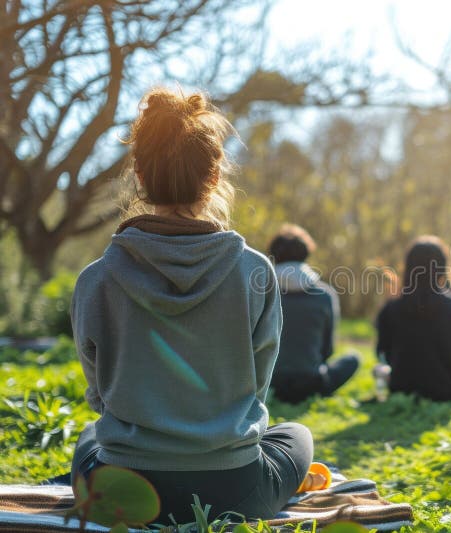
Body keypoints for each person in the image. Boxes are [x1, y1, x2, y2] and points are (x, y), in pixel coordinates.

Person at [69, 88, 312, 524]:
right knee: (296, 435)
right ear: (216, 174)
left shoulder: (96, 278)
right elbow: (256, 388)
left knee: (90, 437)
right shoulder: (255, 272)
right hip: (236, 488)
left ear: (139, 175)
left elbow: (99, 394)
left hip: (125, 490)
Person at [375, 236, 451, 402]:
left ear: (408, 268)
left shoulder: (391, 308)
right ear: (442, 268)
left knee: (378, 370)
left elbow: (382, 352)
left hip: (401, 388)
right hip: (447, 392)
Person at [268, 224, 360, 403]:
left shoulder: (259, 292)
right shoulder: (325, 294)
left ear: (274, 255)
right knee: (353, 359)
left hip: (268, 383)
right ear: (306, 254)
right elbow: (328, 350)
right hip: (312, 382)